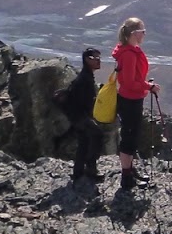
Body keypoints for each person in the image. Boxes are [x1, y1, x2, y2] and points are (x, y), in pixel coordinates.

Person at [111, 18, 158, 193]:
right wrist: (149, 86)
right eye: (142, 31)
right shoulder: (129, 54)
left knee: (131, 135)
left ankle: (129, 170)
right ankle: (126, 177)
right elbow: (130, 82)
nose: (144, 34)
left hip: (131, 99)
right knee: (129, 138)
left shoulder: (130, 51)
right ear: (134, 34)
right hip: (130, 100)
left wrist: (145, 85)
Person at [61, 47, 104, 185]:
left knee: (84, 142)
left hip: (76, 116)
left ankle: (78, 172)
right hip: (80, 116)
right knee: (97, 135)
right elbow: (82, 100)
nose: (99, 61)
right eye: (96, 58)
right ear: (87, 60)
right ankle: (91, 168)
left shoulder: (86, 76)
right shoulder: (85, 79)